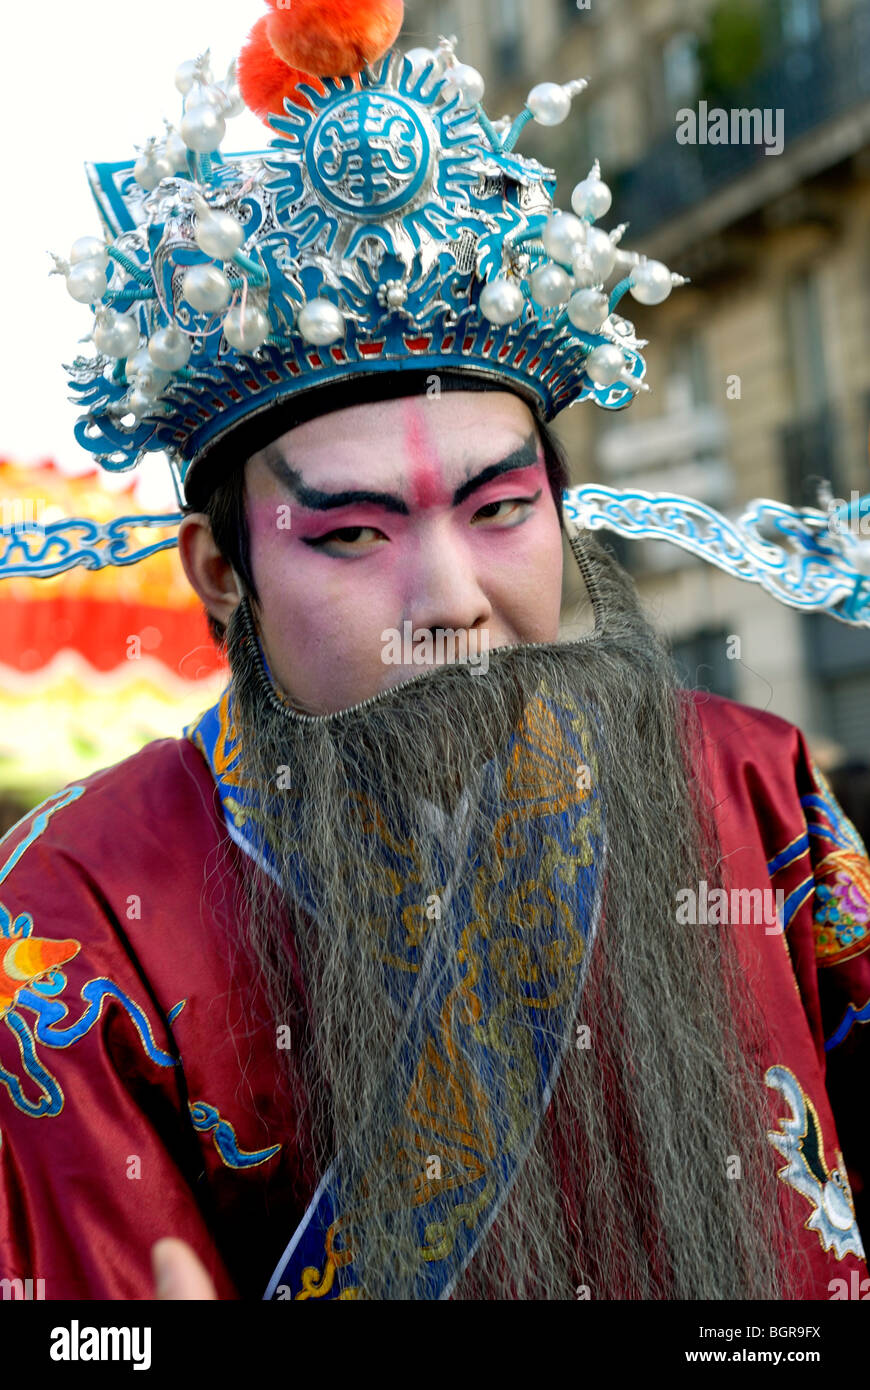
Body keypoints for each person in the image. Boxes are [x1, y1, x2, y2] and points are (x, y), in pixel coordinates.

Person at [1, 3, 868, 1300]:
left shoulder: (751, 788)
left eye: (501, 508)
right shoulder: (73, 912)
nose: (451, 600)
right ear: (219, 570)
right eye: (350, 533)